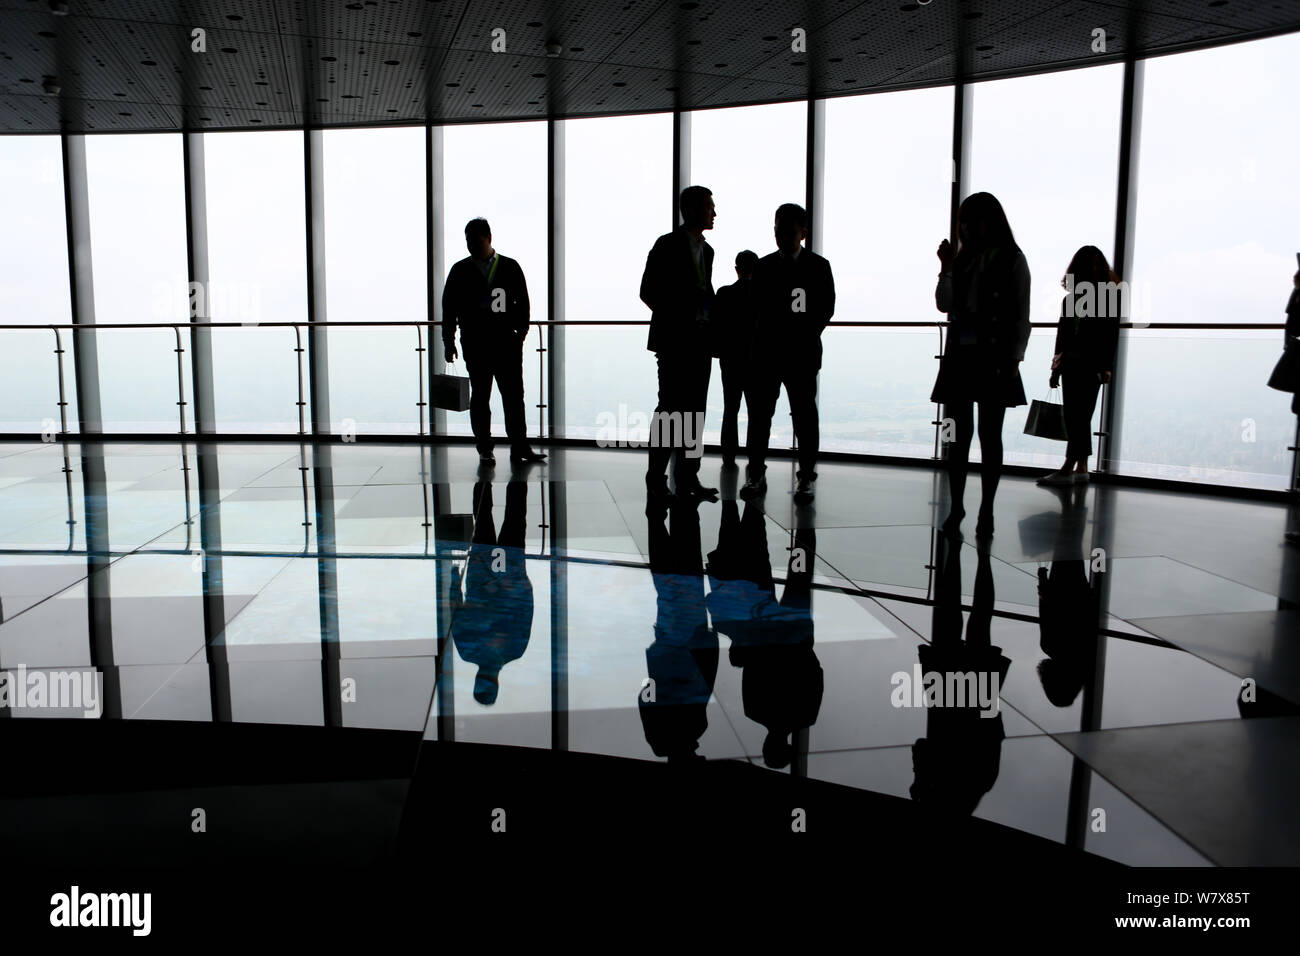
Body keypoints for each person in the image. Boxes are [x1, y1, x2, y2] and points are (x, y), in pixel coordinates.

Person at [932, 192, 1031, 537]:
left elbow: (1021, 313)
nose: (967, 227)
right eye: (964, 221)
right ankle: (963, 507)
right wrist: (946, 268)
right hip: (973, 355)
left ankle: (983, 509)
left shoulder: (1009, 259)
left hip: (989, 356)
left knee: (986, 436)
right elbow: (945, 304)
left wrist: (1015, 356)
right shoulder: (967, 260)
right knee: (966, 437)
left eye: (972, 220)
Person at [740, 203, 836, 502]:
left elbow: (757, 311)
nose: (781, 235)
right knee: (797, 417)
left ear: (802, 233)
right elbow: (823, 310)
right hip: (796, 353)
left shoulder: (766, 267)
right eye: (779, 230)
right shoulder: (815, 266)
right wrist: (802, 332)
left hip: (774, 352)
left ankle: (760, 474)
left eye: (786, 230)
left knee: (767, 417)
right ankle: (801, 477)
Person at [442, 218, 547, 466]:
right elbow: (449, 309)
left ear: (489, 238)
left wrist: (519, 334)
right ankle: (489, 447)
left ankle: (513, 445)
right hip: (480, 345)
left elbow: (523, 304)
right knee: (483, 397)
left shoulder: (503, 268)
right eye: (468, 242)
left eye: (475, 241)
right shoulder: (467, 270)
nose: (471, 247)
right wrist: (449, 340)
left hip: (502, 345)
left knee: (510, 397)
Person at [639, 186, 718, 504]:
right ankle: (657, 477)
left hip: (699, 341)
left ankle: (688, 475)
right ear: (693, 210)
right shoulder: (667, 245)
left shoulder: (707, 251)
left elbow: (703, 290)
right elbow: (648, 291)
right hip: (674, 342)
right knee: (671, 409)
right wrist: (680, 317)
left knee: (694, 410)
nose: (714, 212)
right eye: (710, 207)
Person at [1037, 246, 1120, 485]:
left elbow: (1065, 337)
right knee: (1080, 416)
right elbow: (1106, 336)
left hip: (1081, 365)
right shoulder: (1102, 298)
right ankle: (1081, 467)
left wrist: (1057, 367)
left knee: (1077, 416)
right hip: (1084, 365)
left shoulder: (1077, 299)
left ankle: (1068, 468)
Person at [711, 250, 760, 468]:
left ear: (737, 269)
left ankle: (728, 457)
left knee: (730, 409)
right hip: (757, 360)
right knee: (756, 412)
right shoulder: (765, 295)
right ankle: (754, 458)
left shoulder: (724, 294)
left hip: (731, 359)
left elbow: (716, 327)